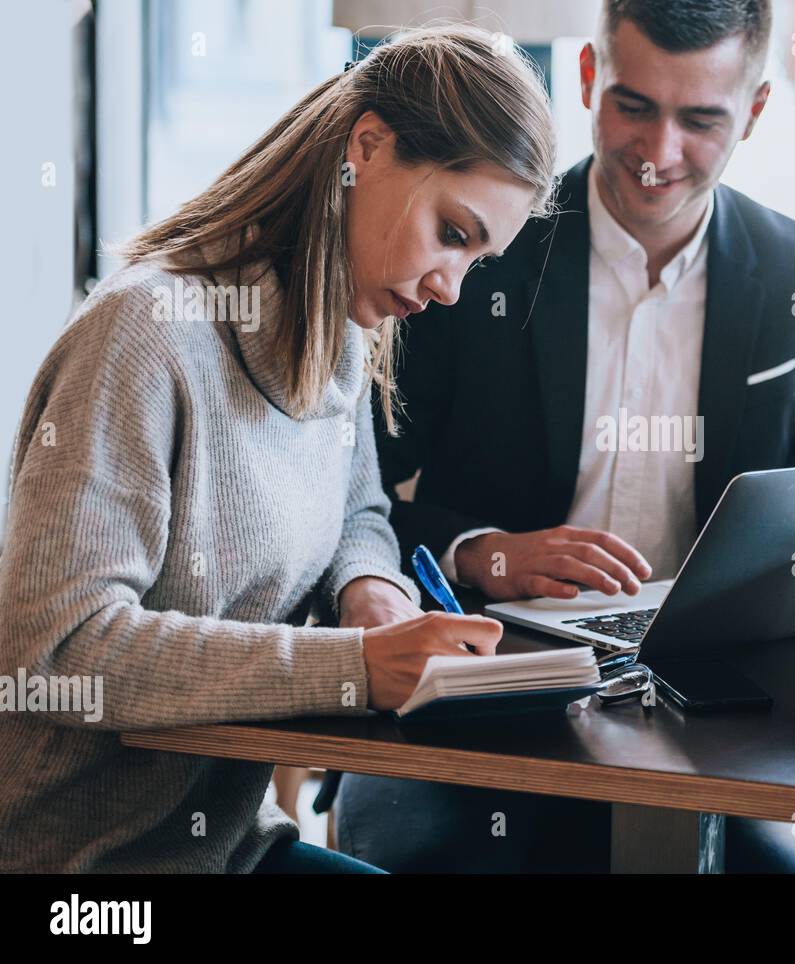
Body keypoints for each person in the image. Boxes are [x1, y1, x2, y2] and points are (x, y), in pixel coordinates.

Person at [0, 26, 555, 873]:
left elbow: (359, 511)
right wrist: (352, 667)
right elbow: (57, 647)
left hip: (230, 846)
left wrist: (368, 589)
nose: (450, 289)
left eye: (477, 261)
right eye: (452, 233)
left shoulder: (336, 329)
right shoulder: (145, 337)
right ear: (366, 148)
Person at [333, 0, 795, 874]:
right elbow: (357, 501)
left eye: (700, 120)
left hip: (709, 724)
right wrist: (484, 554)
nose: (659, 154)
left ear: (755, 112)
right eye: (634, 106)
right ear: (587, 79)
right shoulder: (478, 239)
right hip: (484, 696)